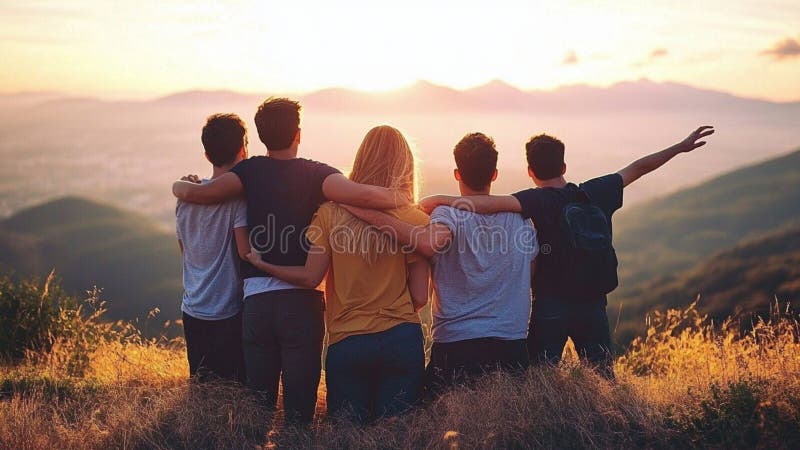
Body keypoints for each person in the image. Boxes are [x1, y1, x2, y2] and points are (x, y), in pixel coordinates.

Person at [172, 99, 410, 424]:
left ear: (259, 136)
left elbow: (203, 194)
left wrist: (180, 185)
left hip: (255, 303)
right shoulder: (318, 174)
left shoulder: (248, 171)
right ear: (298, 134)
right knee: (299, 415)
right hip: (301, 305)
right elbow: (366, 196)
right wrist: (404, 198)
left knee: (257, 411)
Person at [419, 126, 715, 379]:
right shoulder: (596, 191)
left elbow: (487, 203)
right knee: (602, 377)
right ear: (563, 167)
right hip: (593, 302)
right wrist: (680, 147)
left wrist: (438, 200)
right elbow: (639, 167)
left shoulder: (536, 201)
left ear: (530, 172)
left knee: (539, 378)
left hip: (550, 304)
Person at [245, 125, 429, 423]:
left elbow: (309, 277)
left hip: (347, 341)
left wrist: (264, 265)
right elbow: (420, 296)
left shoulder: (329, 213)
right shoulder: (415, 218)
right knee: (397, 436)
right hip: (400, 338)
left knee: (347, 436)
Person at [342, 132, 538, 390]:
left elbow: (426, 244)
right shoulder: (522, 221)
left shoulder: (446, 216)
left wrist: (367, 213)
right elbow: (530, 276)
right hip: (512, 345)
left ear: (457, 174)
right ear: (494, 174)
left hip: (456, 345)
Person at [175, 113, 249, 383]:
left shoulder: (185, 199)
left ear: (206, 155)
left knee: (202, 386)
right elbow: (244, 252)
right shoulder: (238, 201)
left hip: (193, 307)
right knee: (234, 389)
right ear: (243, 150)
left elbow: (185, 252)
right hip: (227, 310)